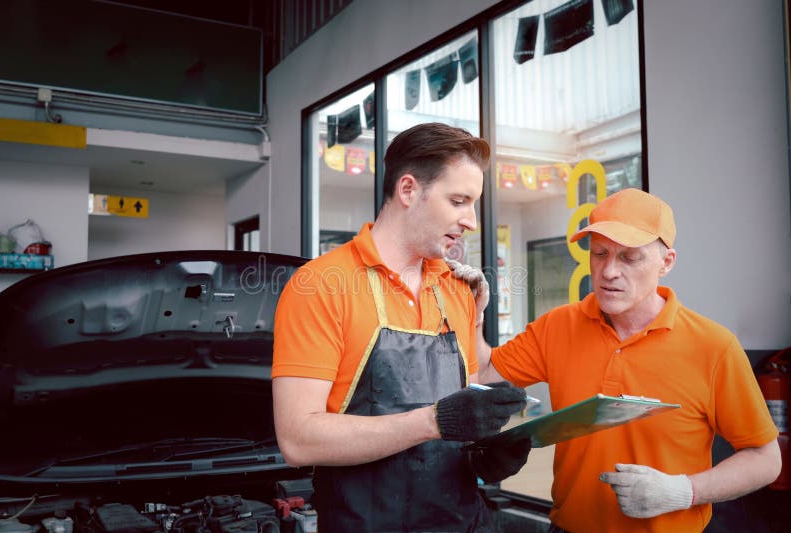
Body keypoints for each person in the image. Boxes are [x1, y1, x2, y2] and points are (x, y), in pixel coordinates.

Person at [453, 188, 782, 532]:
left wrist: (684, 491)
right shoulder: (559, 325)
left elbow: (766, 459)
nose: (609, 271)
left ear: (666, 262)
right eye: (600, 253)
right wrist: (473, 317)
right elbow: (487, 373)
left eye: (629, 258)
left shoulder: (714, 346)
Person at [272, 122, 532, 533]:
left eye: (475, 204)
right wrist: (434, 422)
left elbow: (464, 413)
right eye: (459, 201)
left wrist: (490, 453)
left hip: (465, 523)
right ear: (408, 190)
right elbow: (298, 439)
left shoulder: (458, 290)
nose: (471, 221)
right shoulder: (320, 285)